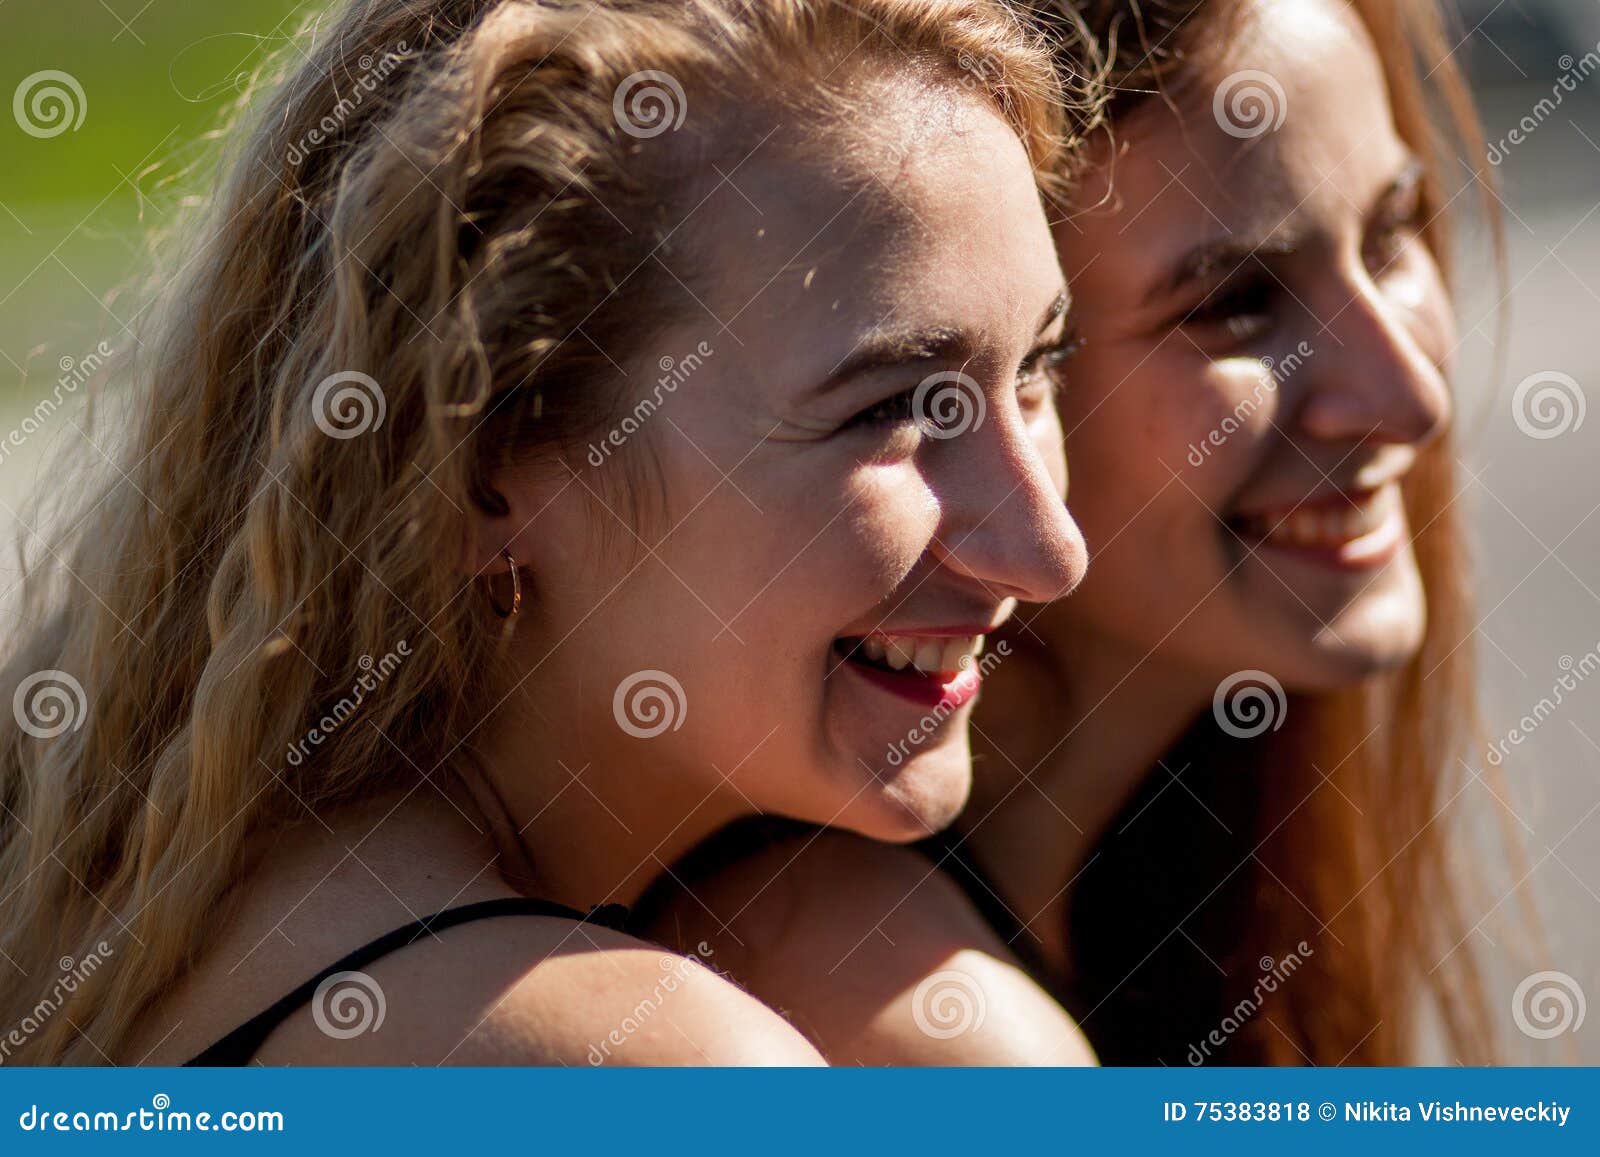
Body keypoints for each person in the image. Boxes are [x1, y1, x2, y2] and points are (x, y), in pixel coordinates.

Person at [0, 0, 1089, 1065]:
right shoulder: (663, 1067)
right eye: (892, 408)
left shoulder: (186, 887)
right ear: (481, 477)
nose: (1049, 550)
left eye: (1037, 367)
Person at [637, 0, 1503, 1066]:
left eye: (1392, 231)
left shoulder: (1176, 874)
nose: (1408, 397)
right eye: (1235, 303)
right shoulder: (918, 1024)